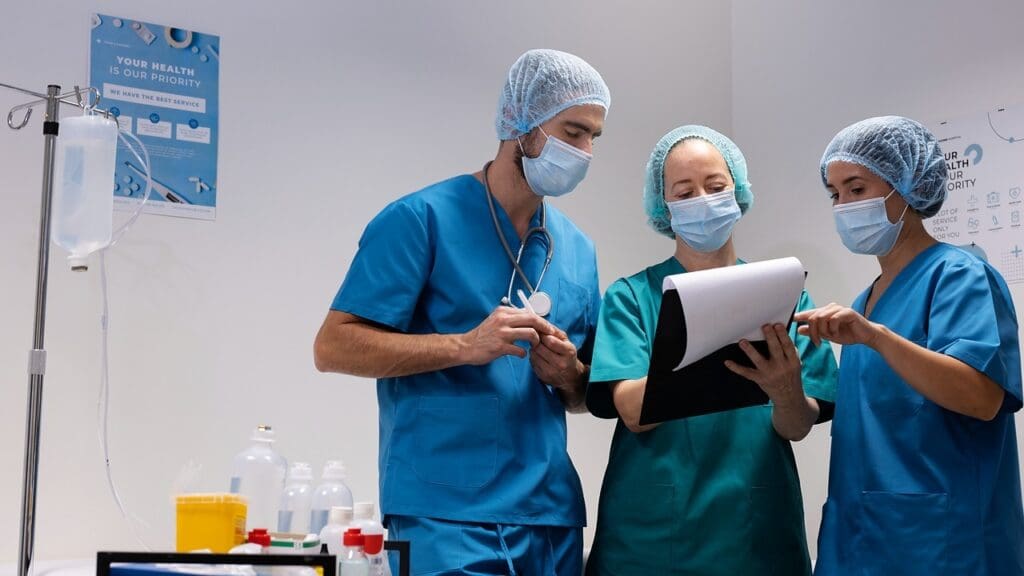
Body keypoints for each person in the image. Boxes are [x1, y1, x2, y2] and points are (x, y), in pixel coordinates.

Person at [313, 49, 609, 575]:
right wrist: (465, 345)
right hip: (444, 511)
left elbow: (587, 392)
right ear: (522, 123)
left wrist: (569, 374)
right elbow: (332, 346)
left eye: (593, 137)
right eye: (573, 131)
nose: (584, 151)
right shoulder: (420, 220)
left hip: (548, 514)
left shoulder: (577, 250)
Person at [584, 125, 838, 575]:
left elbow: (798, 425)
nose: (702, 200)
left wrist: (785, 390)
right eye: (684, 193)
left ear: (737, 192)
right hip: (652, 541)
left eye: (716, 186)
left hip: (753, 533)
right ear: (664, 207)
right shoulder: (632, 297)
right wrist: (705, 340)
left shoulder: (783, 295)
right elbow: (634, 413)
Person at [802, 115, 1024, 575]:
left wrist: (877, 337)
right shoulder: (865, 303)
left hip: (942, 546)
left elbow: (982, 397)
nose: (843, 205)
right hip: (859, 539)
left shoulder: (959, 276)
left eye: (857, 188)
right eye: (835, 194)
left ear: (908, 186)